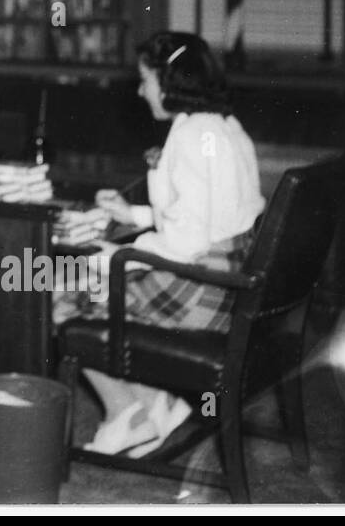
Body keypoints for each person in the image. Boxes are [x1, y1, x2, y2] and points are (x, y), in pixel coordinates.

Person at [57, 30, 266, 457]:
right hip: (230, 279)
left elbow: (185, 242)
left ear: (170, 82)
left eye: (145, 78)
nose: (139, 88)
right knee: (86, 279)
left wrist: (118, 256)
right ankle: (156, 405)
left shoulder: (190, 138)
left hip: (199, 287)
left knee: (58, 293)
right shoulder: (224, 125)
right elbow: (209, 216)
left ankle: (125, 415)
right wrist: (131, 217)